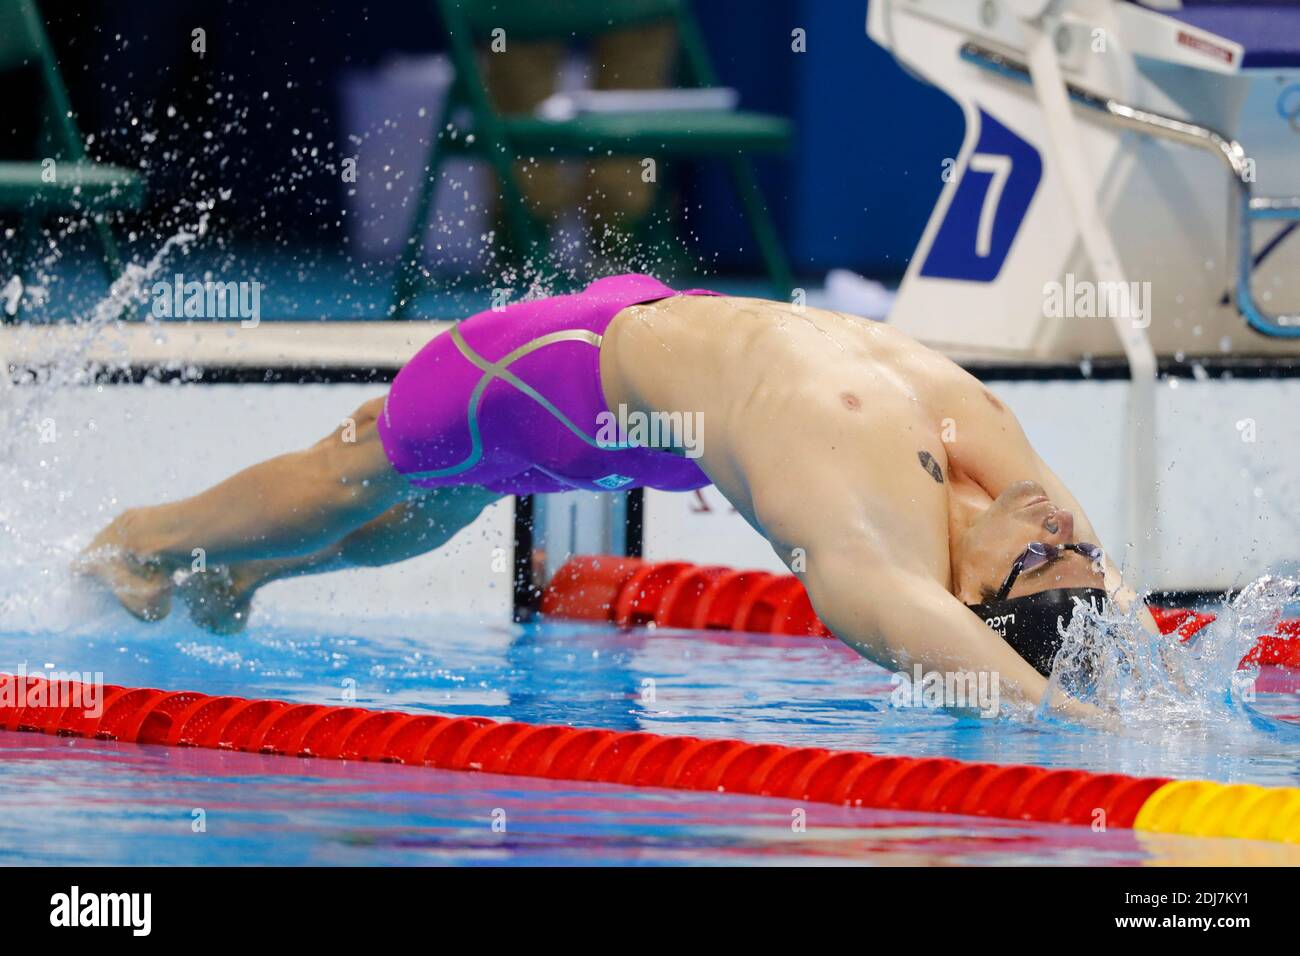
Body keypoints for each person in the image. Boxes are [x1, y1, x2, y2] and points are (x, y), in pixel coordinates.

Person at [79, 273, 1151, 717]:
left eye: (1043, 554)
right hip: (561, 365)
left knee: (442, 498)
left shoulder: (879, 535)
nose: (1059, 524)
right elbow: (1079, 587)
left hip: (660, 409)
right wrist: (1120, 695)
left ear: (975, 587)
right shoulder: (987, 478)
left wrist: (1077, 727)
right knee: (361, 469)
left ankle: (245, 565)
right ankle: (144, 540)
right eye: (1071, 547)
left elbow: (922, 633)